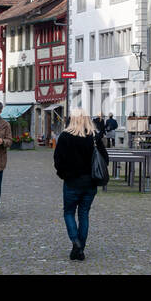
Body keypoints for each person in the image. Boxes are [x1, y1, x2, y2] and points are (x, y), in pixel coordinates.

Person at [53, 109, 108, 260]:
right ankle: (80, 249)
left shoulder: (65, 136)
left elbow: (58, 160)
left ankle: (75, 242)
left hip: (72, 182)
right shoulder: (94, 137)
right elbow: (105, 159)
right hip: (90, 182)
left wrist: (63, 174)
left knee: (69, 212)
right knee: (84, 214)